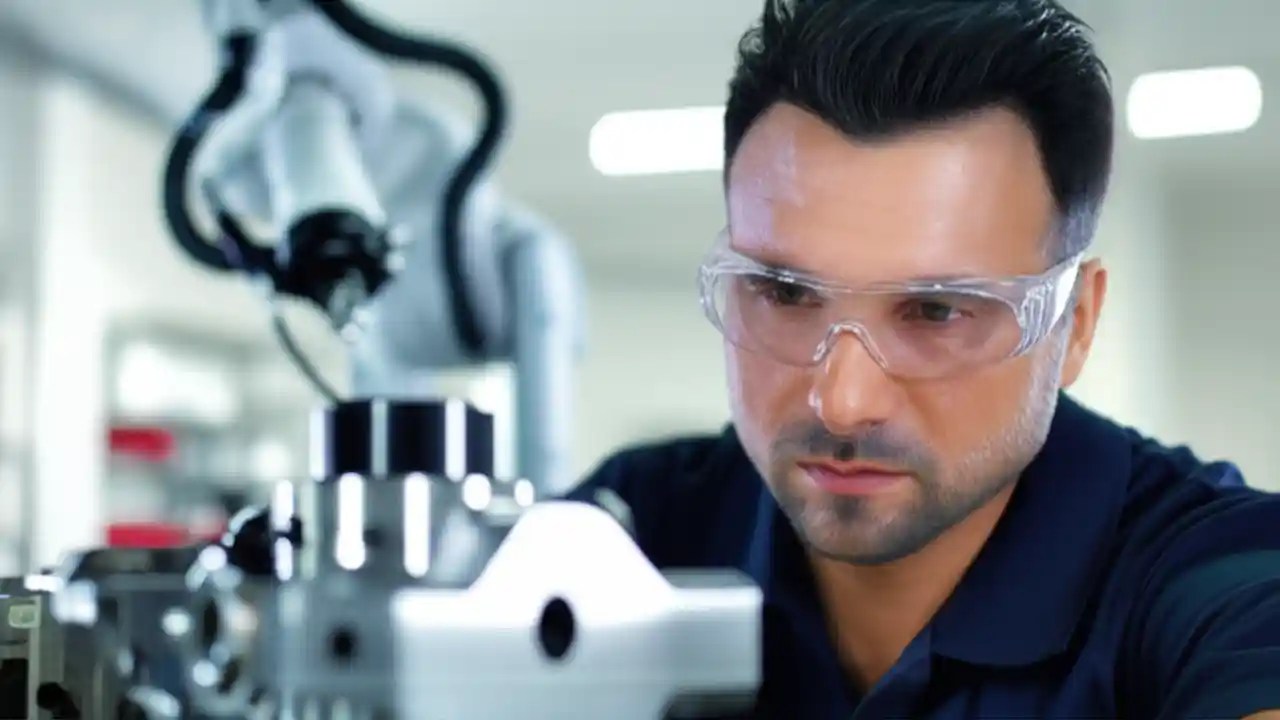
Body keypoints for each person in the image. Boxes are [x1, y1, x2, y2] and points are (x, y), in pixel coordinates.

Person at [568, 0, 1280, 718]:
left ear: (1076, 322)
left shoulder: (1216, 581)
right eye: (785, 293)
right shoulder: (636, 534)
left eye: (936, 311)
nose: (843, 401)